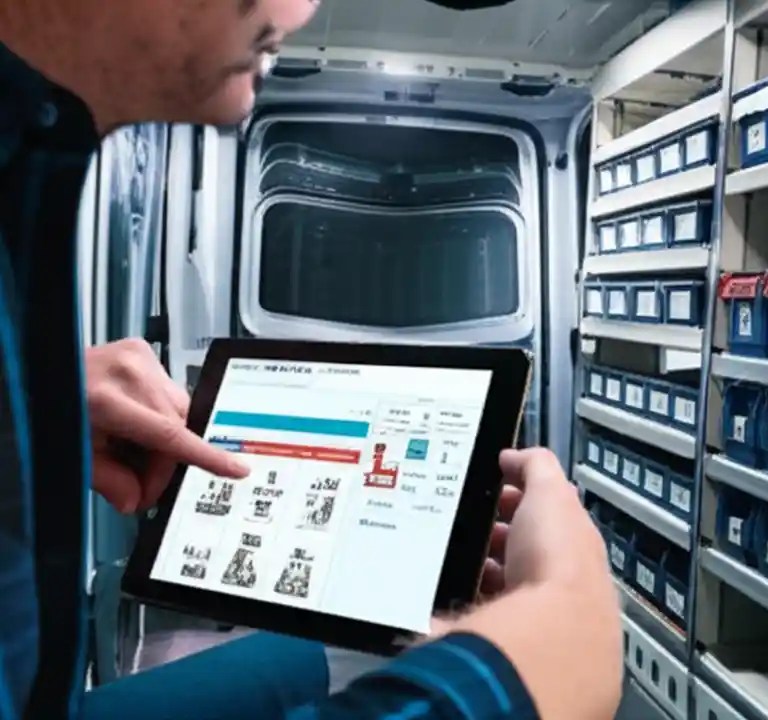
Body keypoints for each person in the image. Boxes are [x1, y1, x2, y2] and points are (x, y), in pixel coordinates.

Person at [0, 0, 622, 718]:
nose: (305, 7)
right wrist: (541, 657)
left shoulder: (31, 159)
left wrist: (31, 411)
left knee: (304, 656)